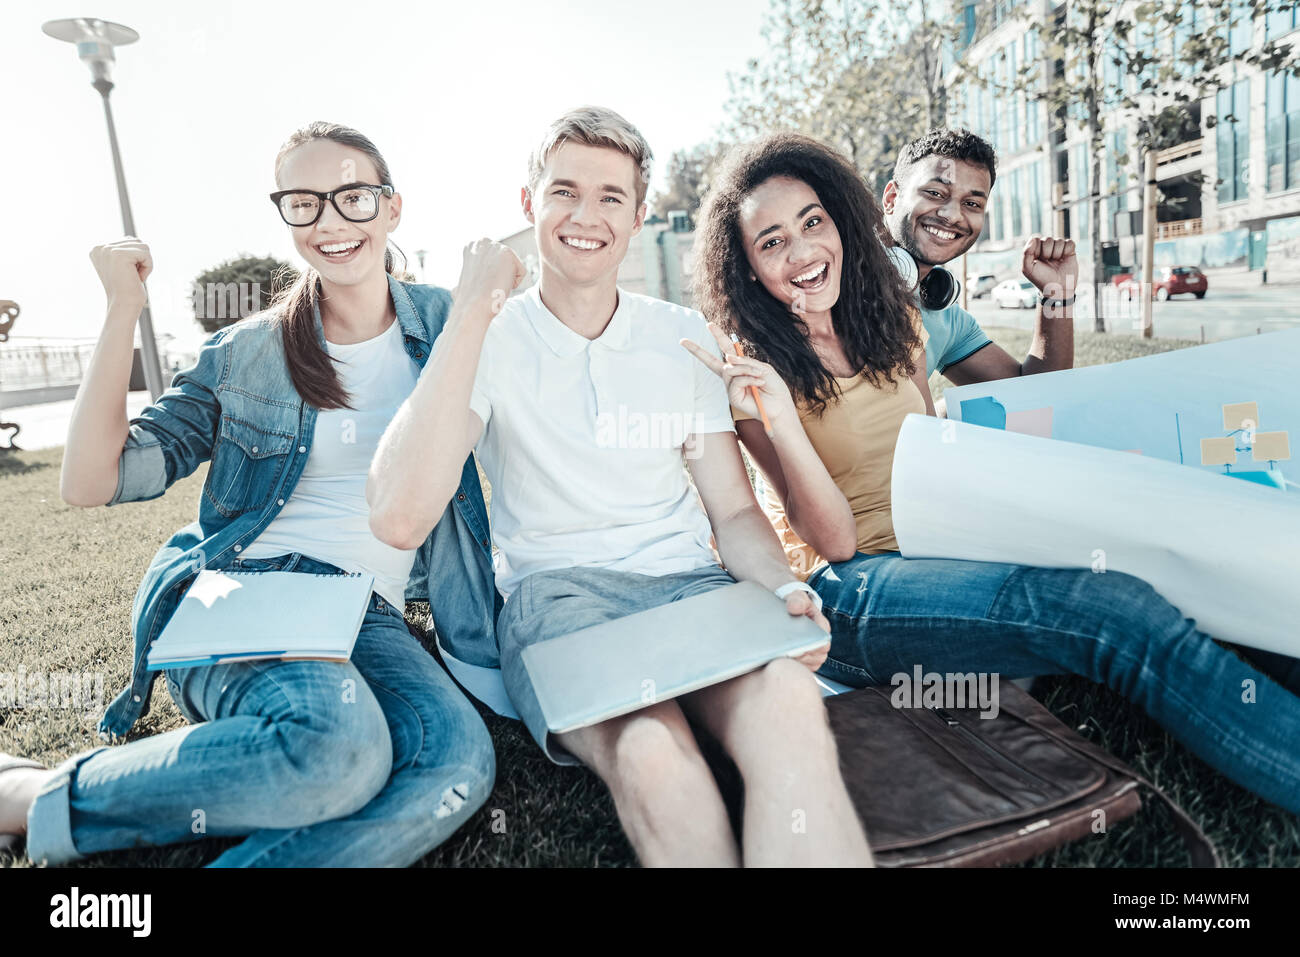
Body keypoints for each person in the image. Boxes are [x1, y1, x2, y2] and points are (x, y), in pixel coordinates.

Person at [687, 131, 1300, 815]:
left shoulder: (897, 322)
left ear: (838, 219)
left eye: (812, 222)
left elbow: (1004, 410)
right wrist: (781, 417)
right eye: (771, 242)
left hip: (946, 541)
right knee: (1112, 614)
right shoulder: (754, 373)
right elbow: (831, 542)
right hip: (853, 590)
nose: (803, 252)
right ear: (746, 267)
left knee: (1184, 564)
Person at [368, 106, 872, 867]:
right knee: (648, 749)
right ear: (529, 203)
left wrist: (774, 583)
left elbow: (733, 508)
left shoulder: (681, 335)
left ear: (638, 216)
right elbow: (401, 515)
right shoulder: (486, 338)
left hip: (692, 589)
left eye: (611, 197)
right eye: (564, 191)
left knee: (792, 703)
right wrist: (471, 306)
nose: (586, 215)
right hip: (562, 602)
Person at [0, 122, 495, 866]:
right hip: (242, 593)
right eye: (304, 202)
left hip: (369, 614)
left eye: (353, 196)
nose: (330, 220)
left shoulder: (453, 324)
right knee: (334, 749)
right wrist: (120, 312)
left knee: (454, 765)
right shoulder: (248, 351)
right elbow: (90, 480)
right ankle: (34, 795)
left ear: (393, 208)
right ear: (287, 216)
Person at [881, 128, 1075, 389]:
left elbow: (1033, 393)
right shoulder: (831, 279)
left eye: (972, 204)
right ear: (892, 199)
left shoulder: (945, 316)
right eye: (935, 193)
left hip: (903, 429)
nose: (952, 216)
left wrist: (1057, 294)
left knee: (960, 413)